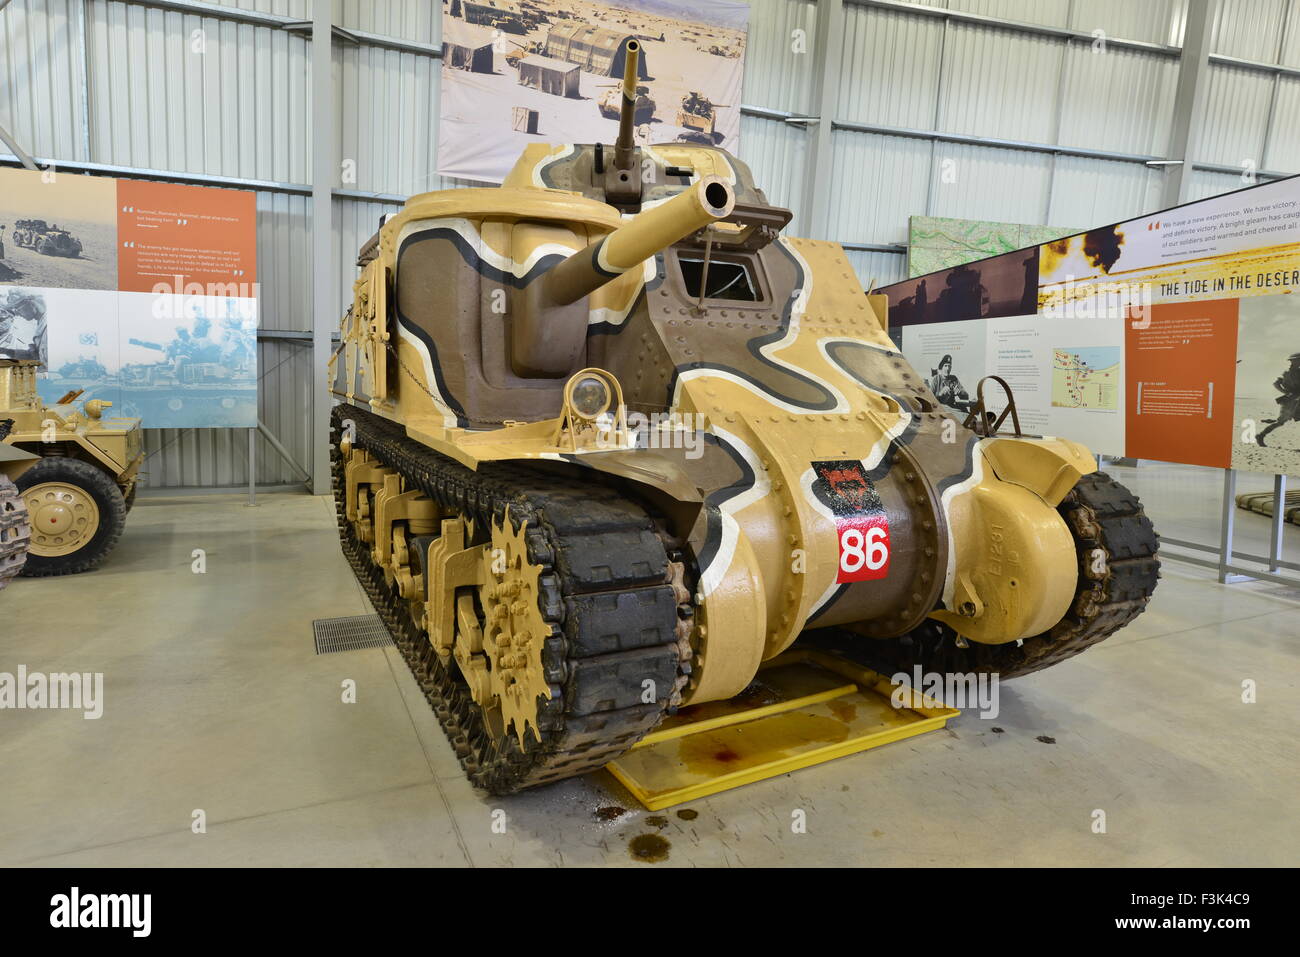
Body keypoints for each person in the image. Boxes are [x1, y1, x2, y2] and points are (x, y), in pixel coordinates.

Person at [1257, 353, 1300, 447]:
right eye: (1298, 360)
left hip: (1296, 400)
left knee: (1281, 421)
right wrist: (1286, 393)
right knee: (1280, 422)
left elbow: (1276, 383)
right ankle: (1260, 435)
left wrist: (1285, 392)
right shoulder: (1287, 373)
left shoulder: (1289, 372)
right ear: (1293, 361)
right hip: (1290, 401)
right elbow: (1276, 383)